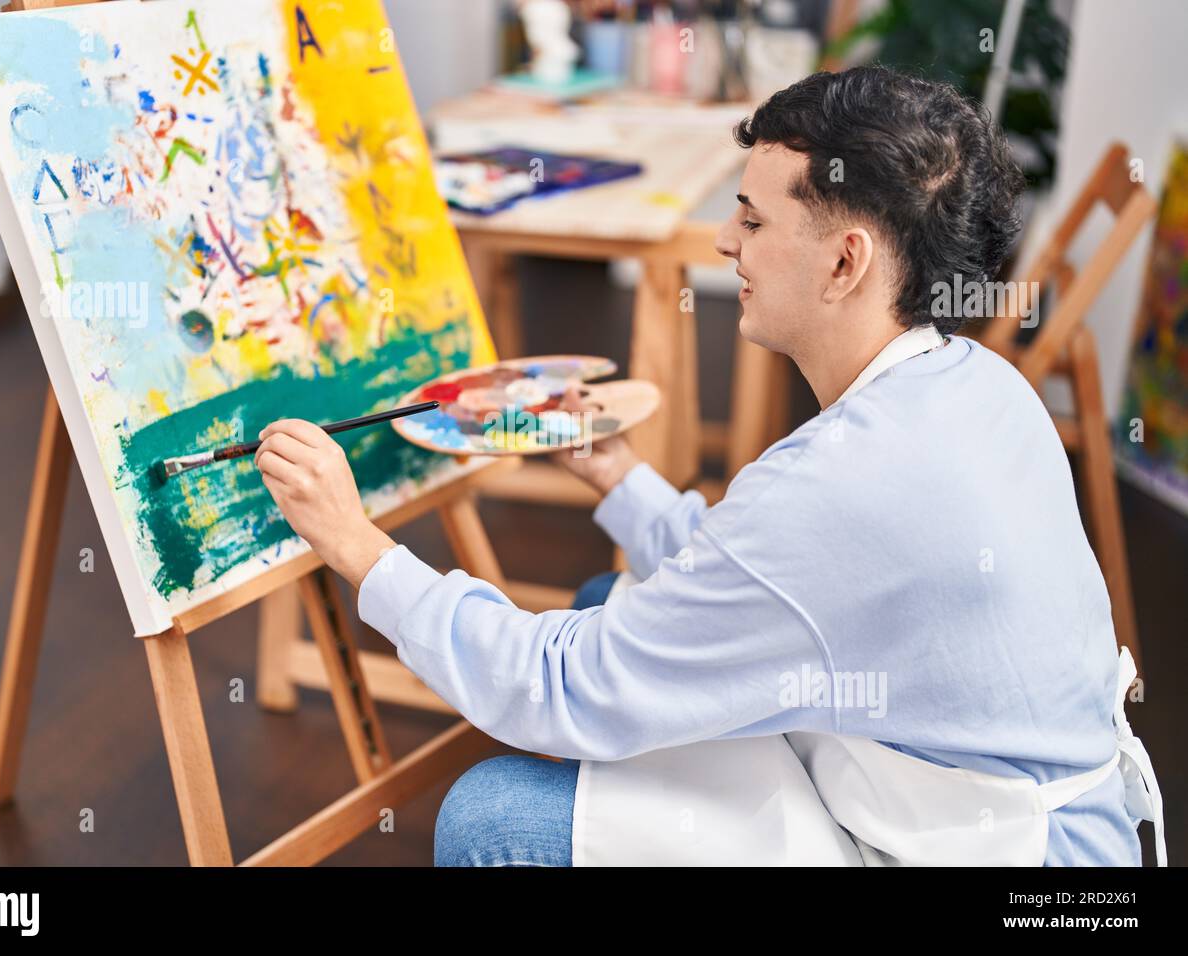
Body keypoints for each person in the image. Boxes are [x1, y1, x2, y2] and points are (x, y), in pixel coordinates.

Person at [254, 66, 1164, 867]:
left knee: (489, 818)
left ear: (847, 262)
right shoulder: (978, 384)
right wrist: (617, 476)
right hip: (990, 800)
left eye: (753, 219)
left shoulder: (841, 482)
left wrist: (358, 545)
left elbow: (570, 685)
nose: (726, 244)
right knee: (602, 606)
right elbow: (777, 580)